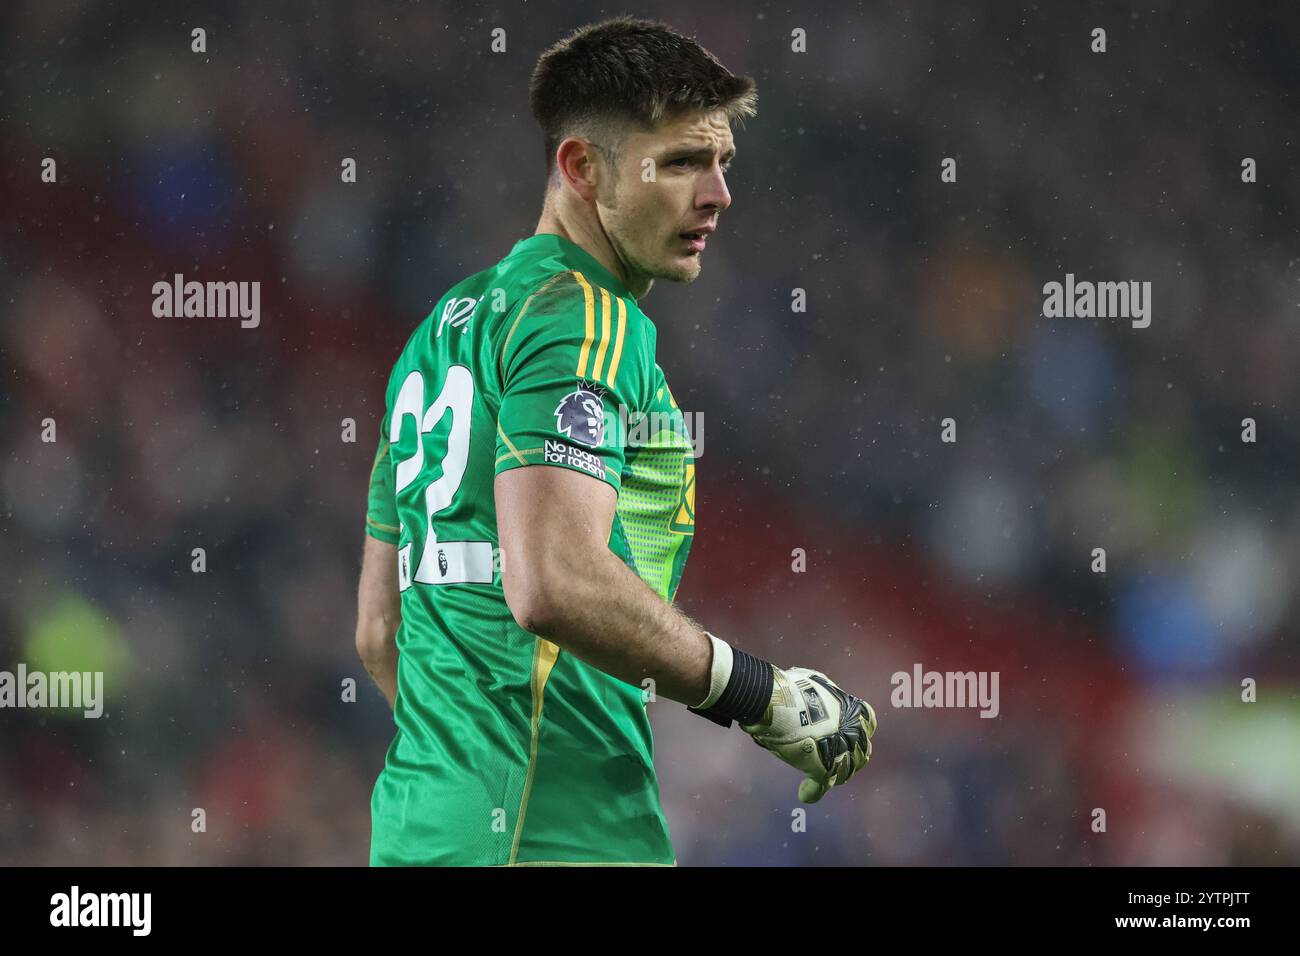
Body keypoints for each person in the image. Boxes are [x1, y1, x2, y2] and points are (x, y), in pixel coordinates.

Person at [355, 15, 876, 866]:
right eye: (679, 163)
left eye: (721, 164)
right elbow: (552, 579)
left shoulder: (438, 333)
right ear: (581, 168)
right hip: (558, 833)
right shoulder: (583, 318)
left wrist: (461, 769)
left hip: (423, 829)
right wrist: (761, 694)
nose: (717, 194)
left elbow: (381, 629)